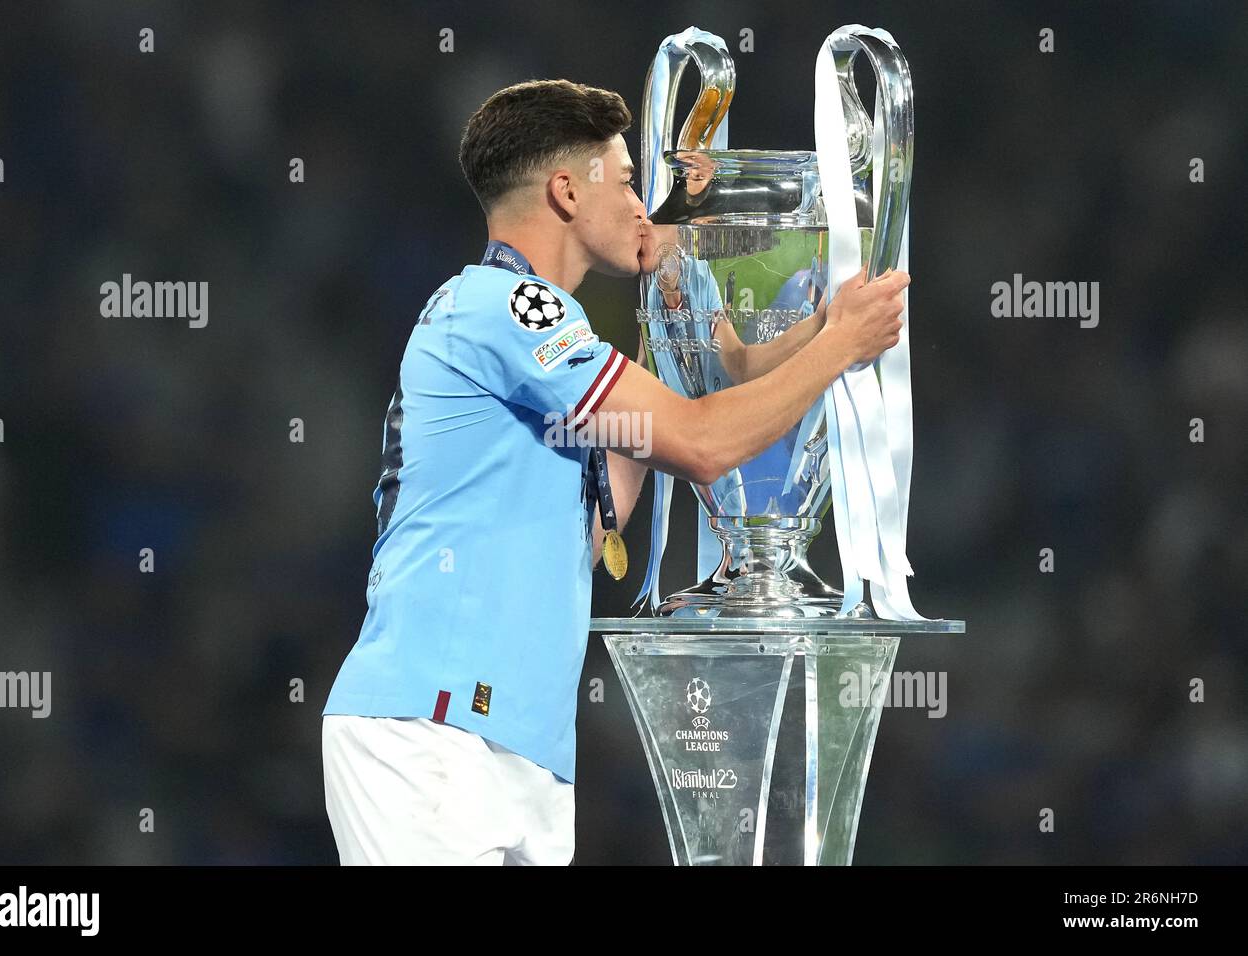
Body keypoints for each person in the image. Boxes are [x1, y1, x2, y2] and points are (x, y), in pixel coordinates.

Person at [321, 79, 909, 865]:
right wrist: (843, 345)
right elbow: (701, 442)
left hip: (519, 744)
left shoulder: (542, 339)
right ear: (567, 190)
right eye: (629, 182)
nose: (644, 206)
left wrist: (689, 306)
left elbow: (622, 495)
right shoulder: (499, 309)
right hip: (435, 732)